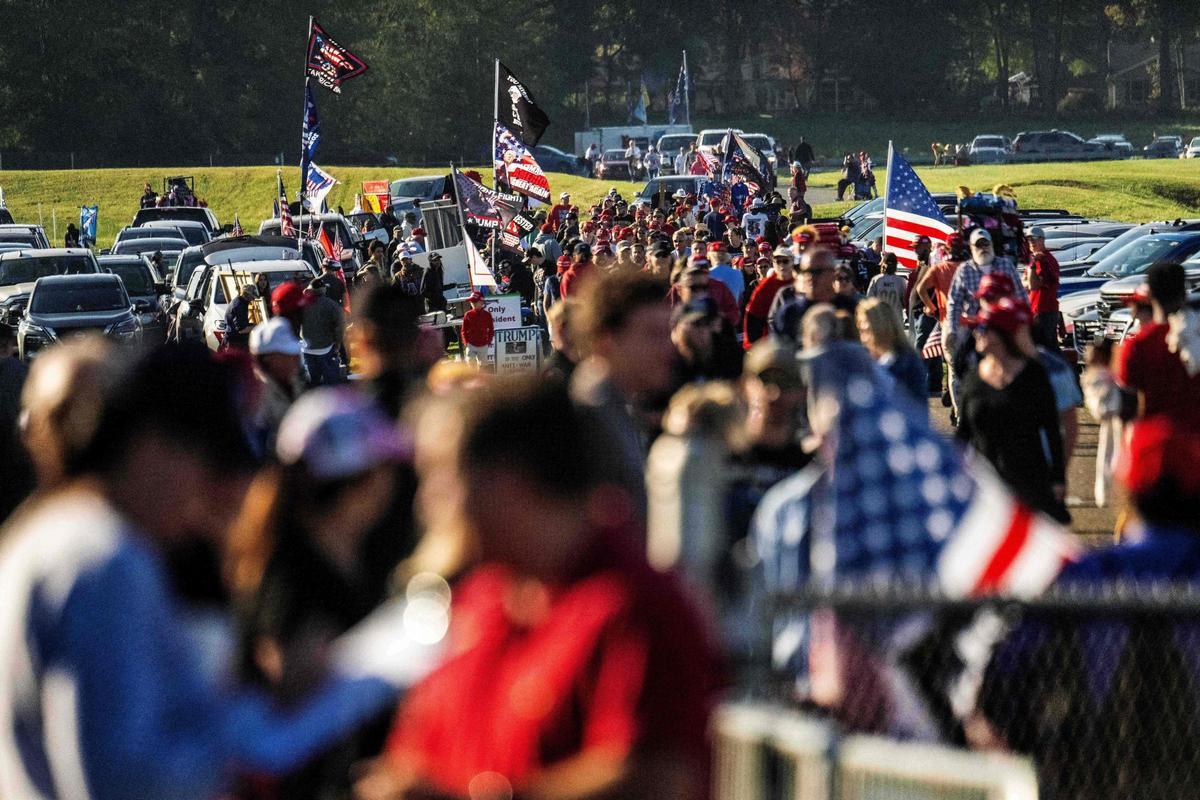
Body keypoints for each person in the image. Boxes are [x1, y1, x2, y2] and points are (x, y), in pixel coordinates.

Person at [0, 344, 402, 800]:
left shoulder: (44, 532)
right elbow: (127, 781)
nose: (215, 495)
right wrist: (262, 724)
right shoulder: (106, 562)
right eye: (209, 465)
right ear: (151, 447)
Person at [355, 378, 722, 800]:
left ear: (508, 484)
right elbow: (419, 751)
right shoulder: (482, 598)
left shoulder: (634, 607)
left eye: (440, 478)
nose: (426, 503)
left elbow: (656, 781)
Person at [228, 387, 410, 800]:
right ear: (360, 480)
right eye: (384, 468)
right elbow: (290, 691)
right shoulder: (291, 575)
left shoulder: (344, 558)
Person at [571, 273, 676, 532]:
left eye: (668, 334)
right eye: (653, 335)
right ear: (607, 341)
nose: (669, 349)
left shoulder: (616, 407)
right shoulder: (588, 421)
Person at [956, 299, 1069, 522]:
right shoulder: (972, 379)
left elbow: (1052, 428)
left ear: (1001, 335)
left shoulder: (1033, 375)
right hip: (986, 485)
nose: (976, 334)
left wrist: (1058, 478)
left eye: (982, 328)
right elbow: (964, 433)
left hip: (1029, 483)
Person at [1115, 261, 1200, 429]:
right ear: (1183, 294)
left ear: (1150, 295)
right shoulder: (1194, 336)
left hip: (1150, 438)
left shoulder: (1137, 345)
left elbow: (1126, 403)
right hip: (1193, 438)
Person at [768, 248, 856, 345]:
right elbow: (780, 353)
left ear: (832, 274)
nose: (810, 277)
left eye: (817, 272)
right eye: (806, 272)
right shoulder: (789, 314)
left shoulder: (850, 308)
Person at [856, 298, 928, 409]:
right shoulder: (864, 361)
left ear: (881, 327)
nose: (862, 338)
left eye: (865, 330)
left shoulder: (907, 364)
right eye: (860, 331)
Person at [247, 317, 303, 453]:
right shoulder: (257, 399)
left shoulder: (294, 385)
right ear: (268, 359)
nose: (296, 359)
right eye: (288, 354)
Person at [299, 280, 345, 387]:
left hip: (307, 348)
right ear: (323, 289)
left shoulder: (302, 303)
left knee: (314, 385)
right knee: (332, 384)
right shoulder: (331, 305)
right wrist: (338, 343)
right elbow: (340, 325)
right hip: (326, 348)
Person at [1025, 226, 1061, 350]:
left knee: (1046, 348)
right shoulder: (1033, 260)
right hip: (1034, 309)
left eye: (1034, 238)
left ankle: (1059, 369)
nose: (1031, 242)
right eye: (1028, 239)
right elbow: (1024, 283)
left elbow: (1032, 285)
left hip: (1044, 311)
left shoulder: (1046, 261)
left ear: (1042, 240)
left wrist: (1033, 267)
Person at [865, 252, 907, 321]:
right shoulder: (901, 281)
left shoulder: (876, 280)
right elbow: (905, 301)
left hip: (880, 318)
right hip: (896, 318)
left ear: (883, 264)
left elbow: (869, 299)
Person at [459, 291, 494, 368]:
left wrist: (488, 341)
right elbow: (463, 330)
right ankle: (472, 378)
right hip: (471, 344)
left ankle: (482, 378)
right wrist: (466, 342)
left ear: (481, 302)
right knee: (471, 363)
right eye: (472, 302)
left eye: (475, 302)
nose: (473, 304)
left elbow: (491, 329)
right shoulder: (468, 315)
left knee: (483, 365)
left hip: (483, 344)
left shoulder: (487, 315)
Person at [708, 241, 745, 305]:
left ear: (710, 256)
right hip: (733, 311)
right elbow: (740, 298)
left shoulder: (707, 274)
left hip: (715, 313)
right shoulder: (738, 274)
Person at [224, 283, 258, 351]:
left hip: (233, 340)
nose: (253, 299)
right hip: (235, 344)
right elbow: (241, 330)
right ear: (246, 295)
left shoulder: (239, 301)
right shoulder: (239, 306)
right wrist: (259, 326)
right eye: (252, 296)